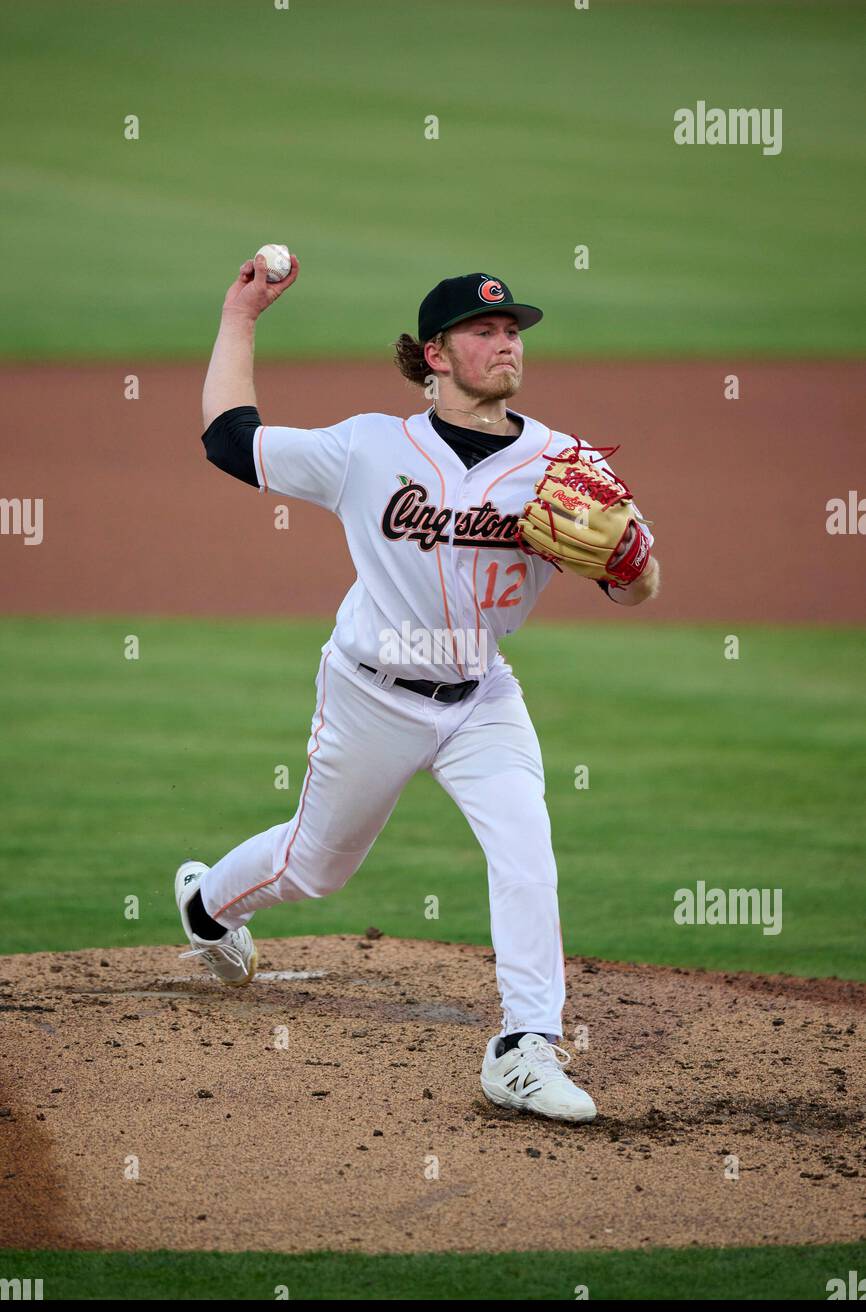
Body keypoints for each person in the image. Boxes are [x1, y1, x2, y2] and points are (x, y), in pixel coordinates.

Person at [175, 257, 660, 1123]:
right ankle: (206, 906)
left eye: (513, 330)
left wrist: (631, 568)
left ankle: (525, 1047)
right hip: (370, 696)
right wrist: (240, 315)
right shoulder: (366, 446)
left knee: (525, 847)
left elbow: (636, 584)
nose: (506, 342)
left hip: (483, 697)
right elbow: (226, 440)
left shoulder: (563, 464)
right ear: (436, 355)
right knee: (315, 868)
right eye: (485, 331)